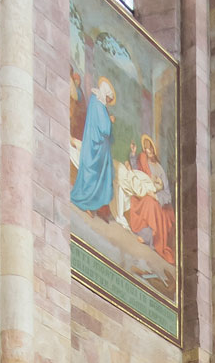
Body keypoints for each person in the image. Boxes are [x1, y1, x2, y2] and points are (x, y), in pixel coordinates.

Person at [123, 133, 175, 262]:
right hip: (143, 192)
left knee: (151, 203)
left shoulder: (160, 170)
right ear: (144, 150)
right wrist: (133, 155)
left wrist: (156, 196)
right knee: (144, 201)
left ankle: (149, 237)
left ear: (154, 149)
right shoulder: (142, 159)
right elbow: (137, 172)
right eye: (146, 148)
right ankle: (145, 233)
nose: (149, 150)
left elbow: (167, 194)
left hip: (157, 199)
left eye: (151, 147)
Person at [70, 76, 116, 216]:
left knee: (94, 174)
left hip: (94, 144)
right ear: (105, 94)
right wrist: (110, 120)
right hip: (97, 147)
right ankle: (86, 203)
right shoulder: (99, 105)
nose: (108, 102)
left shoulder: (94, 101)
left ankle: (94, 206)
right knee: (94, 175)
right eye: (108, 99)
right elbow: (105, 129)